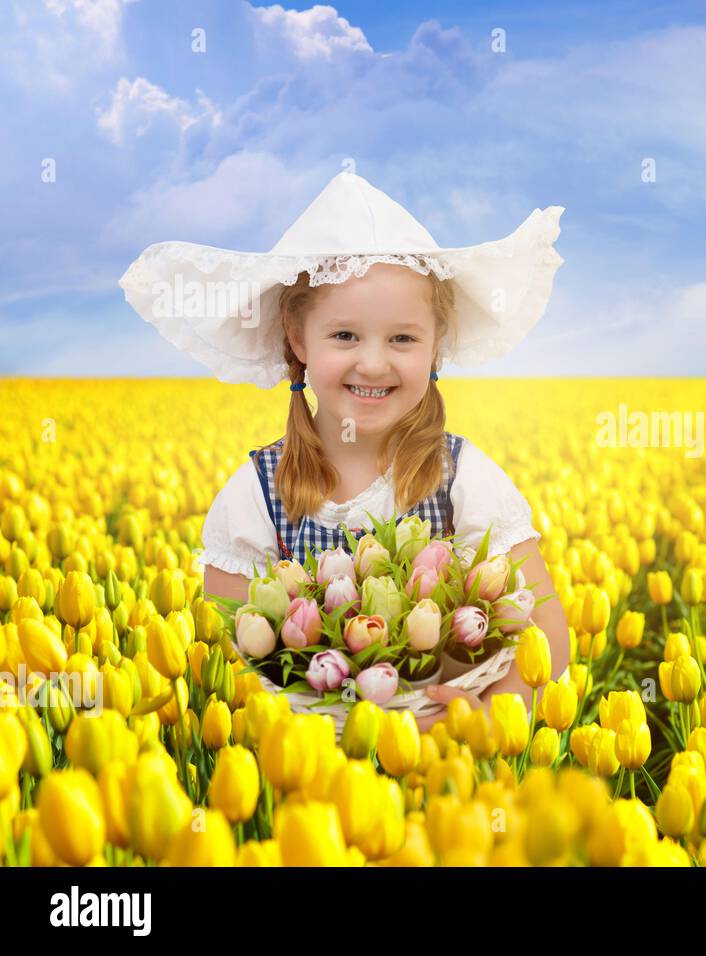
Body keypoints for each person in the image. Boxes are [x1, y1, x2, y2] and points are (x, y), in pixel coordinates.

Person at [118, 170, 569, 730]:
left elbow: (545, 633)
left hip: (444, 764)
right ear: (297, 339)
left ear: (435, 347)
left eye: (402, 338)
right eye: (345, 336)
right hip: (305, 771)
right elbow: (225, 655)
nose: (374, 363)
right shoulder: (257, 493)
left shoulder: (465, 478)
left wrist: (486, 717)